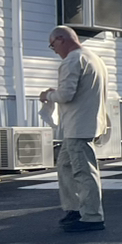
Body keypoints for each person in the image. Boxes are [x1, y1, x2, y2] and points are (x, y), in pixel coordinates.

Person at [40, 25, 107, 233]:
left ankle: (92, 216)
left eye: (53, 46)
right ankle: (74, 208)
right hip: (87, 122)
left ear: (61, 39)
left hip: (78, 125)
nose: (55, 51)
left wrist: (48, 96)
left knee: (83, 171)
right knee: (66, 166)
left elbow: (67, 94)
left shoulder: (72, 60)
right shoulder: (93, 58)